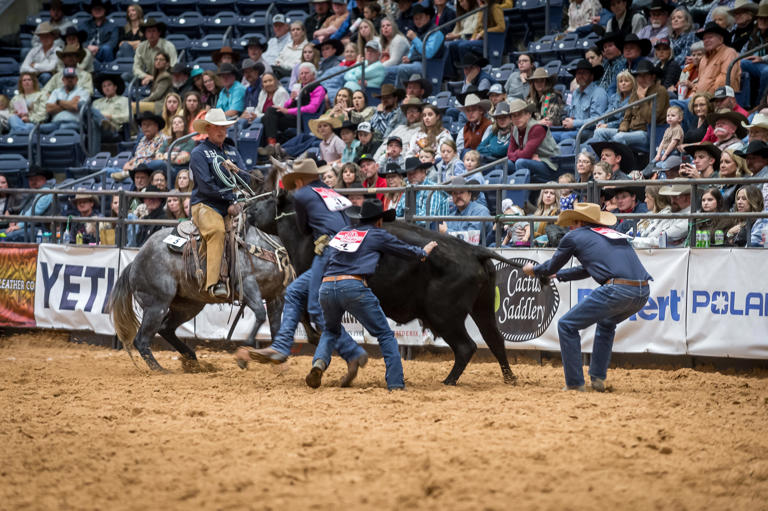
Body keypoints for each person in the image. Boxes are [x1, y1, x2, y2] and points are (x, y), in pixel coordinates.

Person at [237, 159, 371, 389]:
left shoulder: (301, 196)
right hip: (350, 245)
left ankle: (352, 351)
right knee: (295, 290)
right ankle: (281, 345)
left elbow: (302, 228)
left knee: (315, 310)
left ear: (298, 180)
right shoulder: (329, 191)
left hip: (330, 249)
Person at [523, 202, 652, 392]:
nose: (568, 227)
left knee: (567, 325)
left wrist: (534, 270)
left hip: (617, 289)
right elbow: (587, 270)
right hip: (642, 291)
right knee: (607, 324)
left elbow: (551, 266)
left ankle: (575, 383)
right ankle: (598, 378)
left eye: (571, 222)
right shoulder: (611, 234)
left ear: (577, 222)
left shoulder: (573, 236)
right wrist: (559, 276)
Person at [310, 198, 437, 389]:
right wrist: (423, 252)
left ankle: (319, 363)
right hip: (353, 285)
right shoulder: (377, 234)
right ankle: (395, 383)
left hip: (327, 286)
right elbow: (405, 250)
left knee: (330, 330)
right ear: (379, 221)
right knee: (385, 334)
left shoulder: (343, 233)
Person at [189, 109, 245, 298]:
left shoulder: (231, 151)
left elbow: (245, 176)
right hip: (205, 204)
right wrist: (230, 199)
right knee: (217, 231)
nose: (221, 131)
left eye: (224, 127)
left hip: (231, 202)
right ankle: (214, 282)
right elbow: (205, 186)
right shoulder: (199, 153)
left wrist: (238, 174)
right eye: (216, 127)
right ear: (208, 129)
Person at [260, 63, 326, 148]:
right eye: (301, 73)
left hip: (305, 119)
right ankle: (271, 145)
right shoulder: (300, 87)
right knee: (268, 115)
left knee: (269, 115)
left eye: (306, 73)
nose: (303, 76)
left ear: (313, 75)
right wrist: (291, 99)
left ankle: (272, 145)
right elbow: (286, 105)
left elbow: (312, 108)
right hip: (293, 117)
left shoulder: (318, 88)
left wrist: (288, 111)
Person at [507, 99, 560, 184]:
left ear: (528, 115)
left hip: (549, 164)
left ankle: (522, 194)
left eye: (520, 114)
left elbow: (525, 154)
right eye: (513, 116)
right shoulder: (514, 129)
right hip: (531, 161)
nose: (517, 118)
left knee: (521, 163)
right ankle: (508, 193)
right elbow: (509, 154)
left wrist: (522, 154)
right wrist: (524, 154)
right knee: (506, 164)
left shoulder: (537, 128)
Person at [557, 59, 608, 142]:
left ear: (591, 76)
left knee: (565, 137)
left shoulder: (599, 93)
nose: (581, 76)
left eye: (584, 73)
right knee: (550, 136)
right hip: (573, 131)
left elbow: (597, 120)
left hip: (590, 133)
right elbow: (571, 114)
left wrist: (574, 123)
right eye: (578, 73)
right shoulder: (575, 93)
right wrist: (567, 120)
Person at [0, 166, 55, 242]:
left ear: (44, 180)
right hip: (28, 227)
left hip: (40, 230)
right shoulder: (34, 193)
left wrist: (19, 226)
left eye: (37, 179)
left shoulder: (46, 192)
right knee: (2, 234)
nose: (33, 182)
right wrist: (16, 221)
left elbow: (35, 211)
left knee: (5, 236)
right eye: (31, 179)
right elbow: (24, 211)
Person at [395, 157, 449, 229]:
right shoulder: (408, 190)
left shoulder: (433, 189)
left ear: (423, 172)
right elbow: (397, 214)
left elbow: (425, 220)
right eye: (409, 173)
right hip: (414, 231)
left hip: (434, 233)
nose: (411, 176)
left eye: (414, 172)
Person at [438, 176, 491, 245]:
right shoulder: (451, 216)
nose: (458, 196)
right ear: (452, 197)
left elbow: (472, 241)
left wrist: (446, 232)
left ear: (469, 194)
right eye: (455, 193)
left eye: (462, 192)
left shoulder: (480, 211)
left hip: (479, 253)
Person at [694, 22, 742, 94]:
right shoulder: (703, 59)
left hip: (718, 99)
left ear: (720, 39)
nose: (706, 41)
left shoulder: (729, 53)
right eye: (704, 39)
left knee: (674, 102)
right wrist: (693, 95)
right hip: (699, 100)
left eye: (710, 37)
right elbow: (699, 83)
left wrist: (706, 97)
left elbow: (724, 81)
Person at [131, 18, 177, 86]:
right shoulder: (141, 47)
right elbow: (136, 68)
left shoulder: (169, 46)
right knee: (126, 76)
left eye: (154, 31)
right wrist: (146, 76)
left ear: (159, 33)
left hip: (165, 78)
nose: (151, 34)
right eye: (149, 31)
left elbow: (173, 67)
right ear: (145, 34)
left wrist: (155, 78)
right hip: (148, 77)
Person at [46, 67, 90, 131]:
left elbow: (76, 107)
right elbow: (49, 109)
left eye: (72, 77)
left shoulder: (83, 92)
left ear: (76, 79)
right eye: (67, 77)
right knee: (38, 130)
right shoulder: (56, 92)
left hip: (74, 123)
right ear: (63, 79)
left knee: (63, 128)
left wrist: (59, 102)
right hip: (55, 123)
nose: (69, 80)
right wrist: (70, 103)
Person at [91, 73, 129, 147]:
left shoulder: (124, 100)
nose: (106, 88)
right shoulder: (96, 102)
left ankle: (92, 156)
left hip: (113, 129)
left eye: (109, 85)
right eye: (104, 86)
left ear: (115, 87)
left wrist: (111, 117)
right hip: (96, 128)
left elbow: (128, 117)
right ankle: (102, 120)